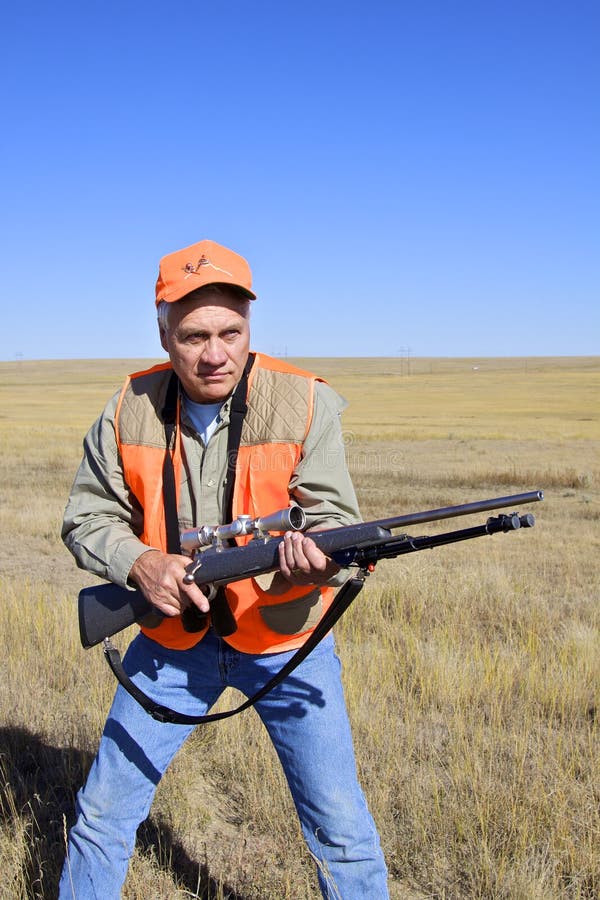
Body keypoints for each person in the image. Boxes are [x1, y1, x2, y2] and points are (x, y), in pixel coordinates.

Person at [59, 239, 389, 899]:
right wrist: (142, 563)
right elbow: (86, 519)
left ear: (250, 328)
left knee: (341, 829)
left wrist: (308, 566)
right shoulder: (129, 406)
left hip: (284, 642)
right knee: (101, 816)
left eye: (231, 333)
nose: (215, 353)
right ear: (163, 334)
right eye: (194, 336)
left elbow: (331, 524)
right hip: (172, 644)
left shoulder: (304, 401)